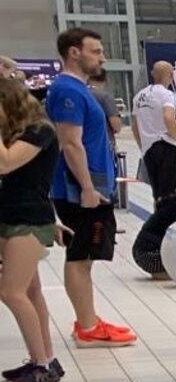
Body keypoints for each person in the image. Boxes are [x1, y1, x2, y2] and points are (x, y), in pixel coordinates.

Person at [46, 28, 135, 348]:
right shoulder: (67, 92)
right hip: (80, 188)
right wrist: (85, 187)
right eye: (96, 51)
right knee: (80, 255)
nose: (102, 57)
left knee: (85, 257)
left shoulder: (77, 90)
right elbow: (70, 143)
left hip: (91, 184)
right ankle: (87, 327)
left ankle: (88, 319)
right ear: (74, 52)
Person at [0, 67, 61, 382]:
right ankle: (45, 358)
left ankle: (42, 365)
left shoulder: (41, 131)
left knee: (10, 291)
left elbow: (6, 163)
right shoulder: (20, 131)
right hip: (11, 214)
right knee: (31, 291)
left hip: (29, 218)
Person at [133, 62, 176, 203]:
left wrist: (142, 146)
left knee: (157, 192)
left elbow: (135, 126)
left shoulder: (138, 96)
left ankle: (158, 219)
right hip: (165, 146)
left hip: (148, 148)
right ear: (171, 75)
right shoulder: (168, 95)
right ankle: (172, 220)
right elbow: (168, 117)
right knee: (173, 191)